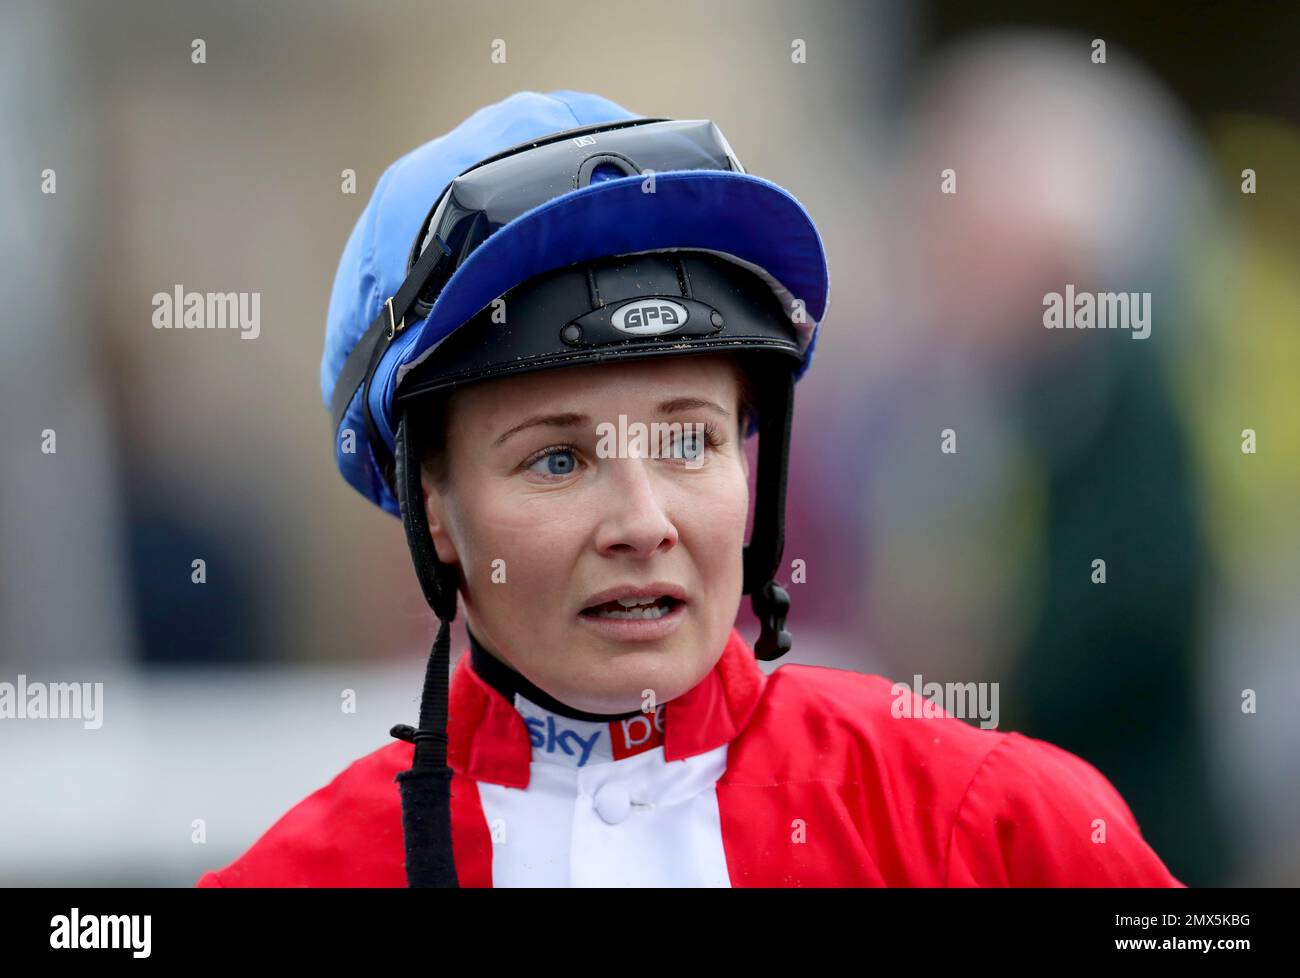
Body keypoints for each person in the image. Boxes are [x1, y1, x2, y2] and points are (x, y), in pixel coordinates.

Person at [196, 90, 1183, 888]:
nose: (642, 522)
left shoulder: (993, 825)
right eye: (557, 459)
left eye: (687, 440)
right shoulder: (305, 875)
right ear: (436, 513)